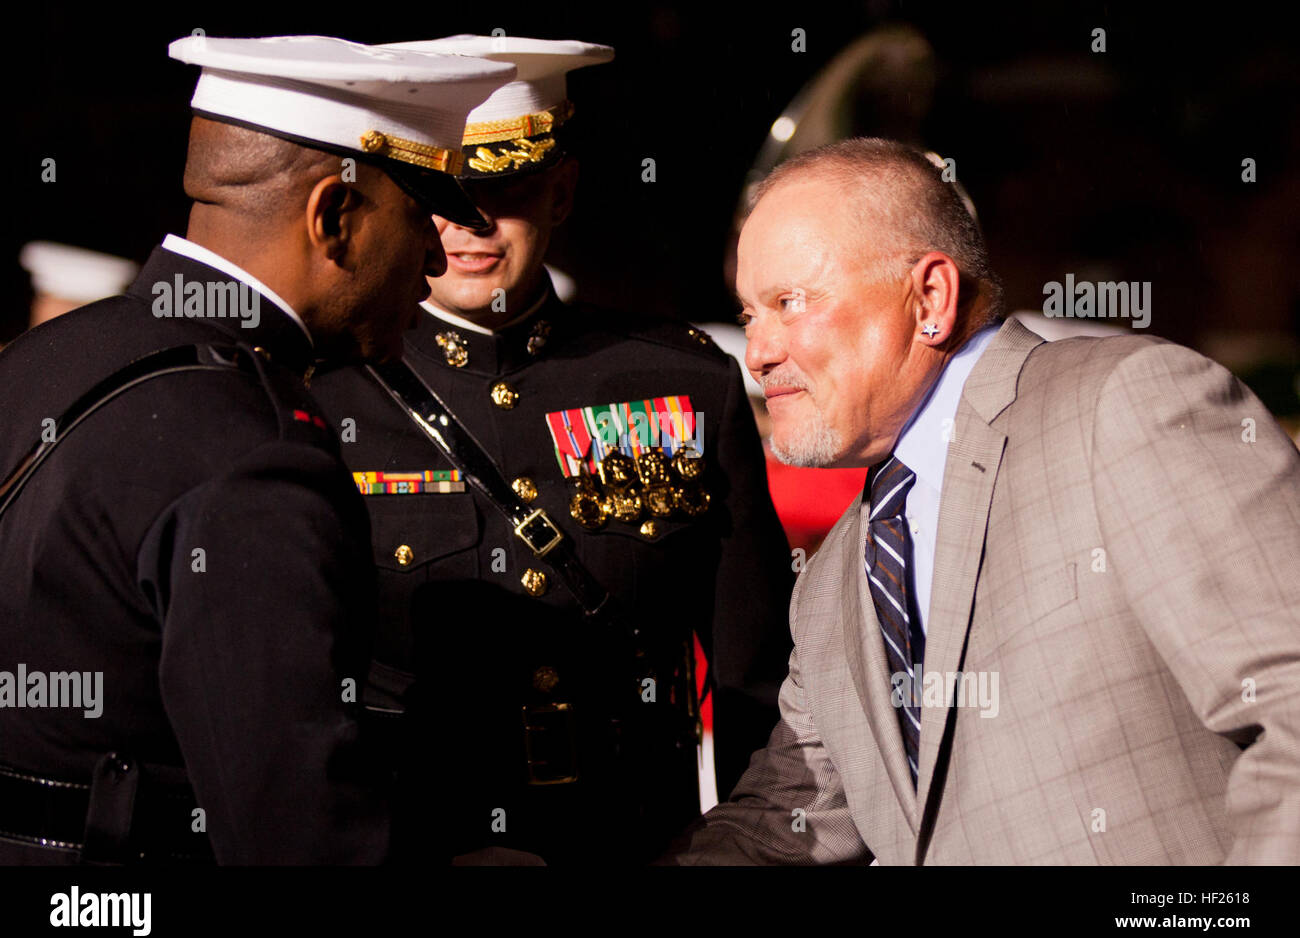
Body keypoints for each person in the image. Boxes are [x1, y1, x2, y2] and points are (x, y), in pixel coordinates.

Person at [665, 137, 1300, 865]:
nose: (759, 351)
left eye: (790, 303)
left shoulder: (1124, 405)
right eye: (750, 315)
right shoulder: (837, 577)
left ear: (930, 298)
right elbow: (779, 824)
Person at [0, 35, 515, 864]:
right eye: (419, 217)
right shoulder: (254, 450)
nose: (432, 257)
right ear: (334, 218)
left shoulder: (37, 361)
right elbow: (296, 835)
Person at [309, 35, 794, 865]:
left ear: (562, 191)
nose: (468, 226)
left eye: (503, 193)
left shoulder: (681, 380)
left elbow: (761, 681)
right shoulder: (326, 391)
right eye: (441, 196)